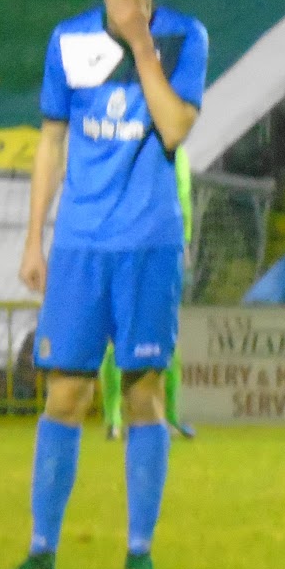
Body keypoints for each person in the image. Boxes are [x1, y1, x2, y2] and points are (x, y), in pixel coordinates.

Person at [0, 0, 208, 569]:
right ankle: (40, 555)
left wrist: (141, 48)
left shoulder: (182, 38)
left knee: (143, 393)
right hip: (80, 243)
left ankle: (139, 556)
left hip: (148, 240)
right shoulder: (67, 40)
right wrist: (33, 237)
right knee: (66, 393)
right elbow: (52, 140)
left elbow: (174, 126)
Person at [102, 142, 196, 441]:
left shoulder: (176, 151)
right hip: (127, 248)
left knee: (163, 336)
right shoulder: (122, 147)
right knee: (121, 335)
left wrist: (184, 242)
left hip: (162, 249)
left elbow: (182, 199)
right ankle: (116, 417)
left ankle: (165, 416)